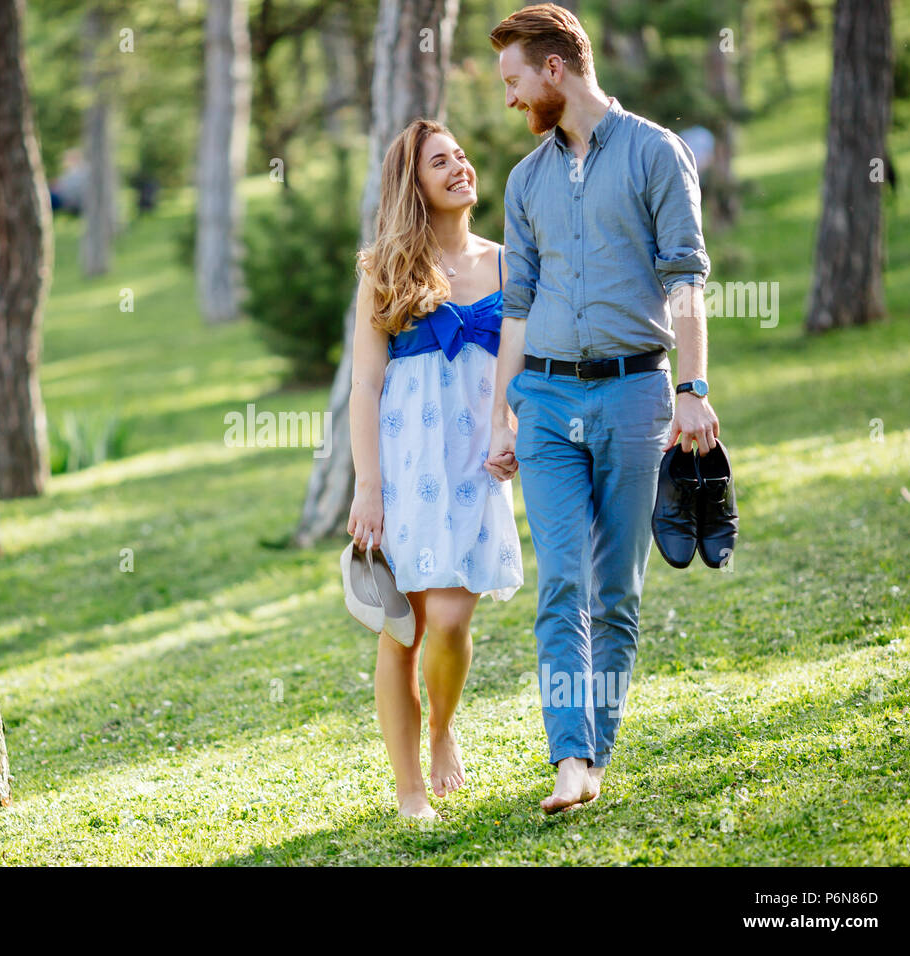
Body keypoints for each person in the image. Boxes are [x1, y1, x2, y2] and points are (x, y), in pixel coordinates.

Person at [485, 3, 720, 813]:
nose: (510, 99)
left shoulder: (658, 153)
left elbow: (685, 279)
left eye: (515, 80)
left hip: (634, 392)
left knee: (613, 589)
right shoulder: (525, 181)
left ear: (555, 70)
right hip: (545, 397)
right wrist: (499, 413)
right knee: (562, 583)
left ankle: (596, 751)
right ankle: (569, 758)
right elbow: (516, 306)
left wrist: (692, 388)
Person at [346, 118, 523, 820]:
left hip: (475, 462)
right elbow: (365, 384)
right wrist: (369, 487)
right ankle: (409, 788)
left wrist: (512, 427)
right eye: (438, 162)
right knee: (403, 629)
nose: (459, 168)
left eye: (461, 156)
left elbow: (526, 365)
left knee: (449, 620)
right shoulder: (383, 271)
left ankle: (443, 728)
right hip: (403, 462)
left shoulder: (508, 263)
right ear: (413, 184)